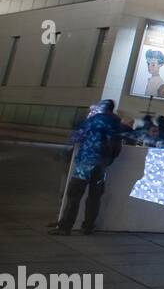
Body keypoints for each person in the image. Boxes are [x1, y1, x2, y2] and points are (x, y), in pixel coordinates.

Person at [50, 100, 129, 236]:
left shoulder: (94, 120)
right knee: (95, 196)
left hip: (86, 161)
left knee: (74, 195)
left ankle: (65, 227)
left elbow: (77, 136)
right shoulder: (117, 124)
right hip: (103, 164)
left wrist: (63, 153)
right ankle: (88, 227)